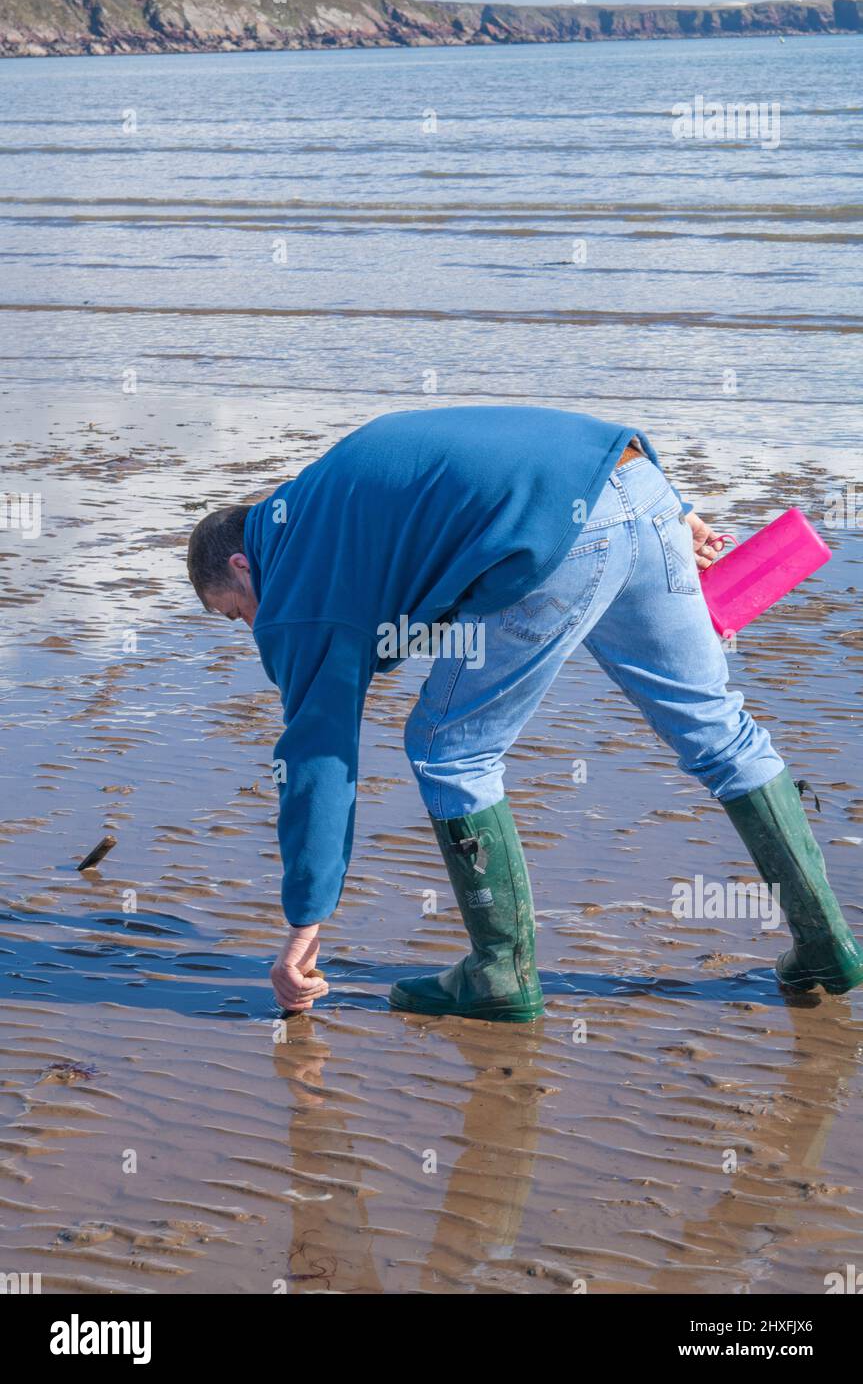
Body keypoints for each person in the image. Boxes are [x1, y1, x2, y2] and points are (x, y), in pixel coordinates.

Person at [186, 406, 863, 1021]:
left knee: (446, 747)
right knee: (718, 731)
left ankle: (499, 973)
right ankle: (825, 946)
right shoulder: (326, 497)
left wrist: (304, 920)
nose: (252, 627)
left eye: (235, 613)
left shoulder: (297, 583)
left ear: (243, 566)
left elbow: (317, 755)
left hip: (562, 536)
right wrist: (668, 506)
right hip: (636, 482)